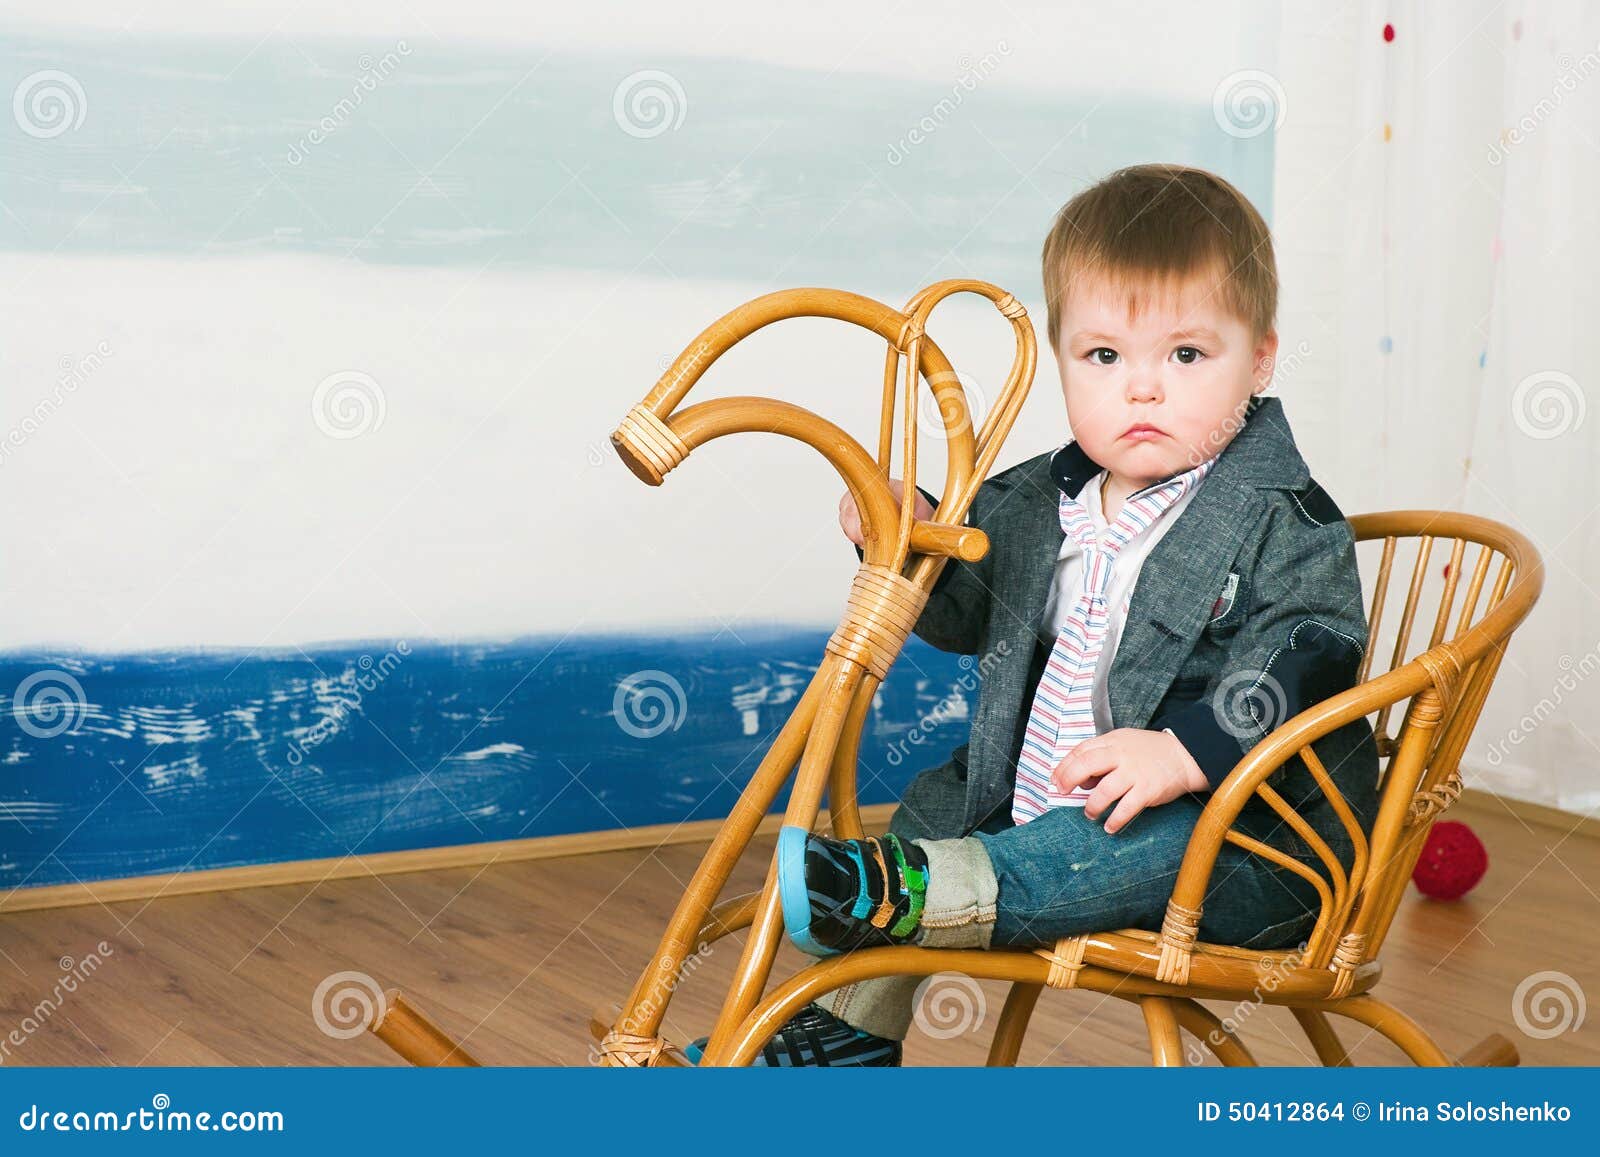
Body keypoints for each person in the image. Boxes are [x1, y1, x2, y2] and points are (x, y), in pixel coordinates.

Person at [688, 163, 1380, 1066]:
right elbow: (967, 608)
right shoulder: (1039, 501)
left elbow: (1311, 652)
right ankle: (849, 1032)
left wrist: (1184, 750)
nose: (1143, 389)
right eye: (1104, 357)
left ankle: (915, 896)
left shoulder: (1284, 521)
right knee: (938, 801)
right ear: (1062, 359)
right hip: (1038, 794)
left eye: (1186, 355)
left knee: (1144, 833)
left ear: (1258, 358)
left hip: (1246, 851)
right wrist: (917, 532)